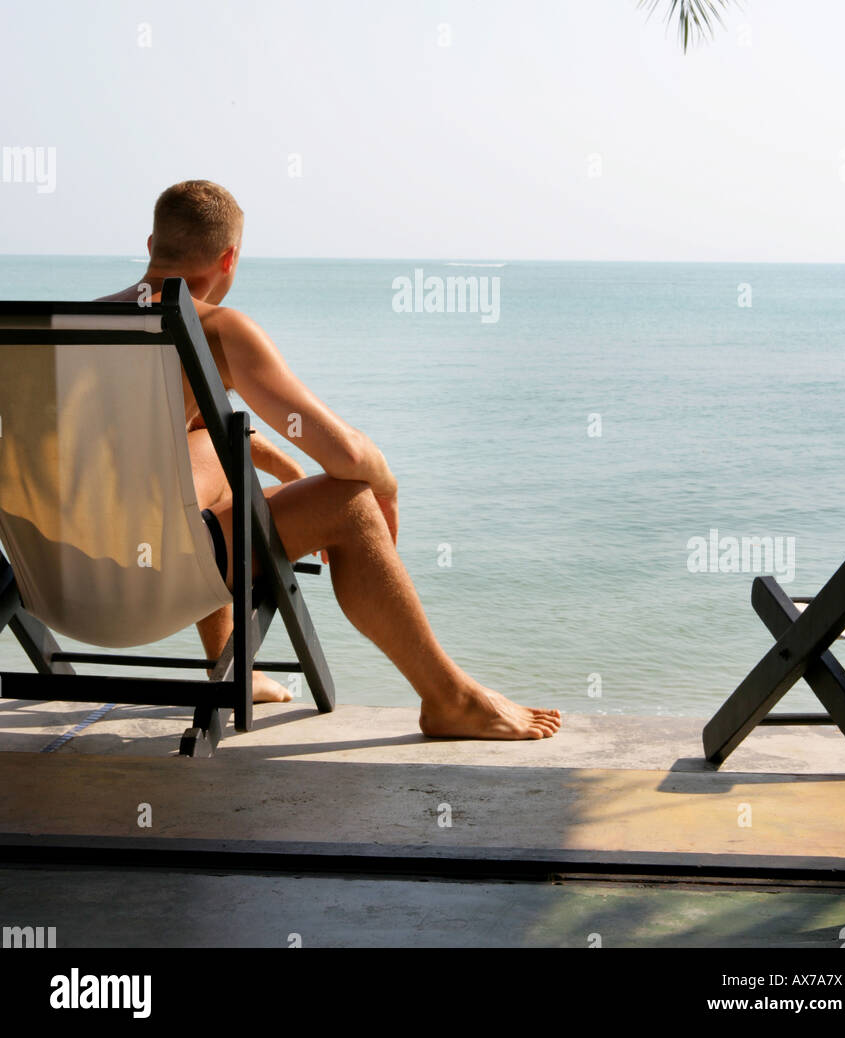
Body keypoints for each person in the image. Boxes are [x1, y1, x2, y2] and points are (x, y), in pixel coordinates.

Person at [97, 180, 561, 741]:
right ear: (230, 258)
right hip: (152, 590)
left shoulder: (62, 330)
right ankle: (449, 698)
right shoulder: (217, 328)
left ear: (151, 245)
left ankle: (233, 666)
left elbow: (181, 436)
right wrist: (387, 483)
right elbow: (344, 454)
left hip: (64, 585)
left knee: (193, 464)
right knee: (349, 501)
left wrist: (285, 471)